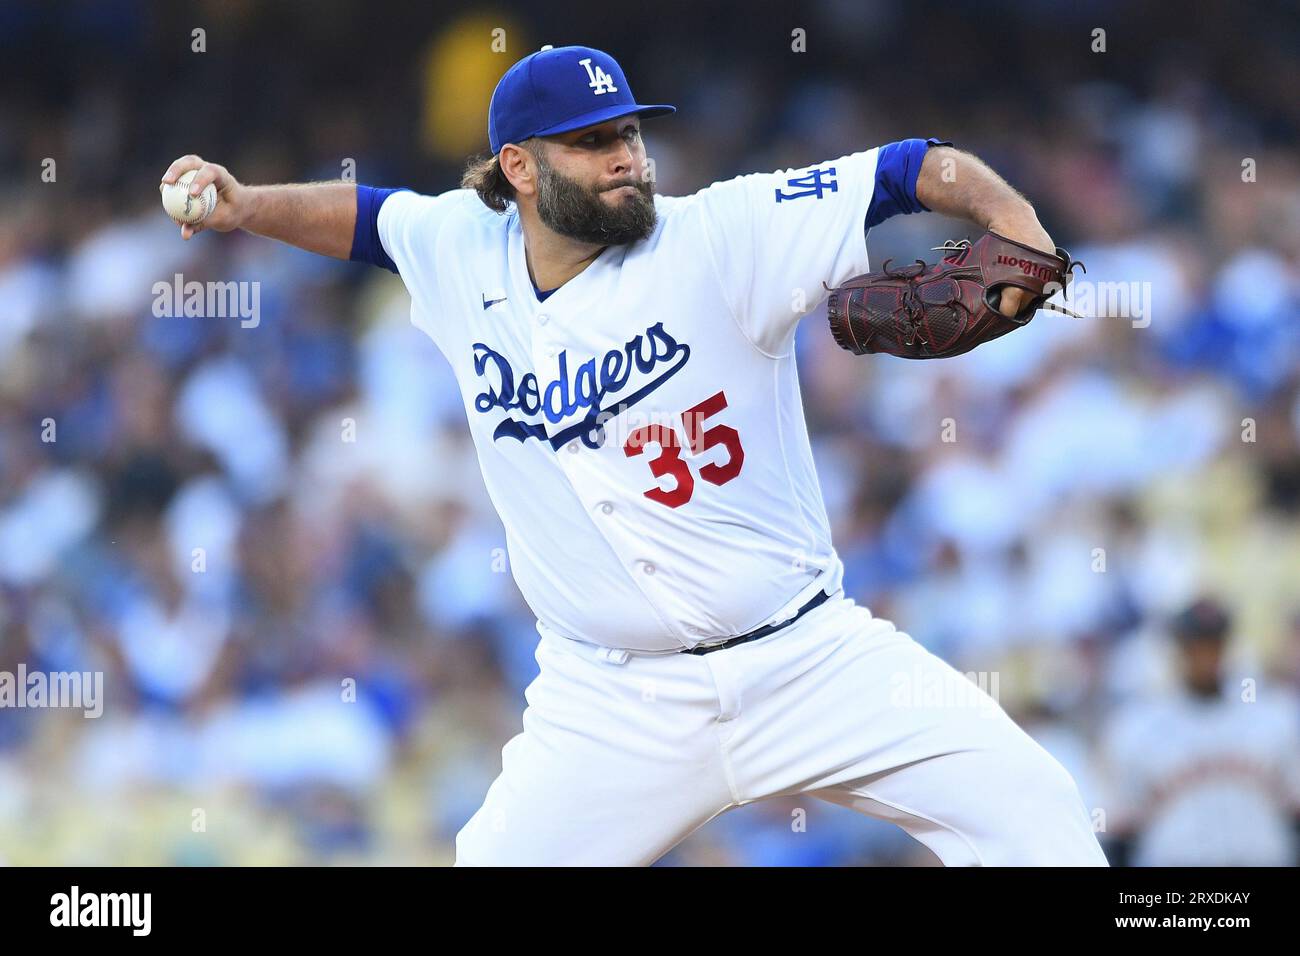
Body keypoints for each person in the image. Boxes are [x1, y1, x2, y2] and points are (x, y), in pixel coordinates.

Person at [160, 44, 1106, 866]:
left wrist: (1018, 228)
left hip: (807, 658)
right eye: (593, 141)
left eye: (631, 135)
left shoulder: (722, 233)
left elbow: (912, 167)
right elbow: (370, 219)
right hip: (611, 705)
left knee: (1036, 814)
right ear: (519, 168)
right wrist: (246, 208)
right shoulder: (461, 247)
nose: (626, 159)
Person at [1099, 598, 1300, 866]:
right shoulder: (1136, 727)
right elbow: (1118, 833)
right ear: (1177, 649)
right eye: (1195, 646)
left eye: (1213, 644)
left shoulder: (1275, 716)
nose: (1205, 656)